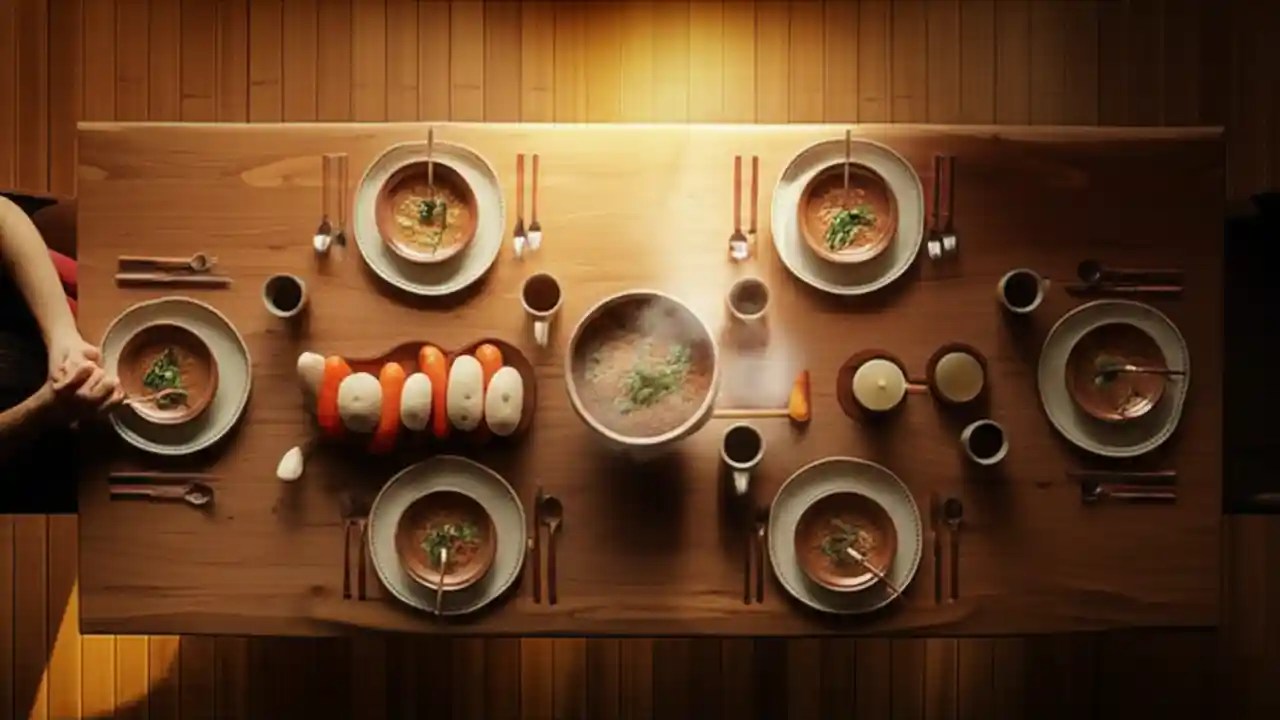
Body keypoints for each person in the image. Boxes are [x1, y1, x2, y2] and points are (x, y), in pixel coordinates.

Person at [0, 193, 123, 511]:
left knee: (69, 217)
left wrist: (61, 333)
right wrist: (42, 412)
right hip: (25, 439)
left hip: (34, 304)